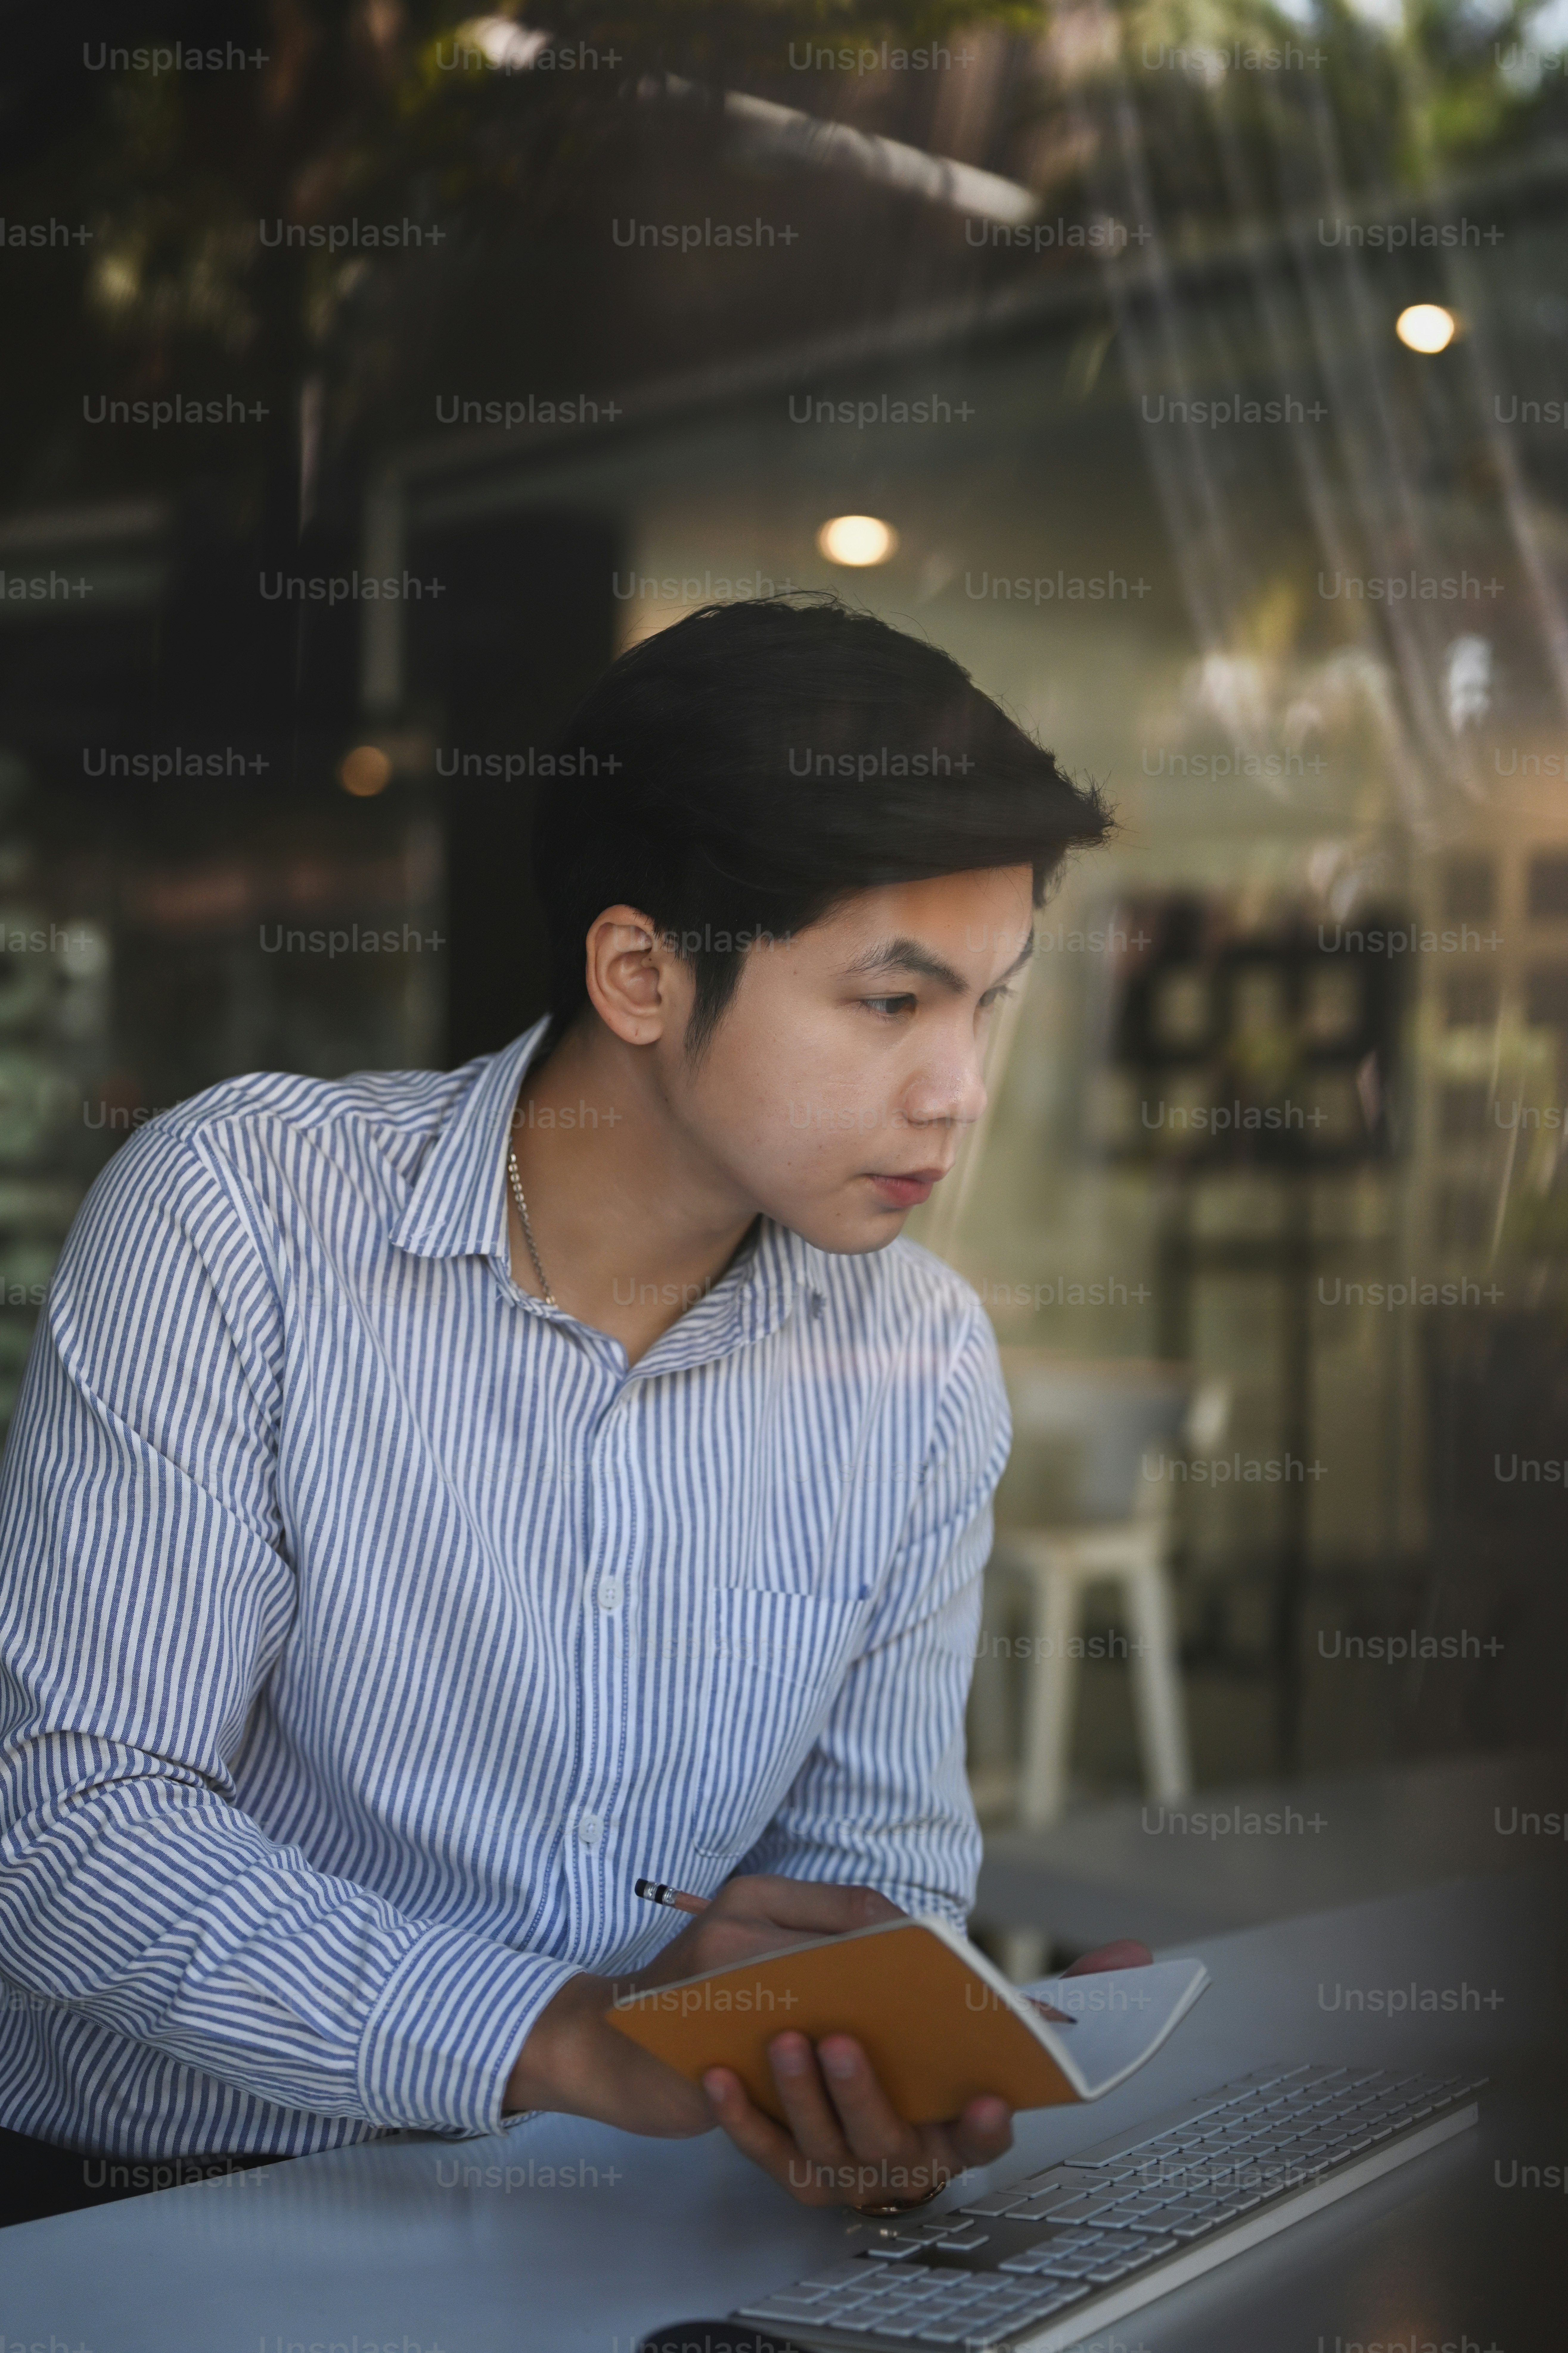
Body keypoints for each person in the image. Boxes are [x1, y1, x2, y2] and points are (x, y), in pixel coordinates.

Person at [0, 592, 1134, 2225]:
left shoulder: (922, 1360)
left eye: (989, 1001)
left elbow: (870, 1879)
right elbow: (68, 1833)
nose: (958, 1085)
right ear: (641, 972)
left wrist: (888, 2063)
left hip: (615, 2216)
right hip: (150, 2203)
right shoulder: (239, 1218)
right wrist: (559, 2035)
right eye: (894, 1001)